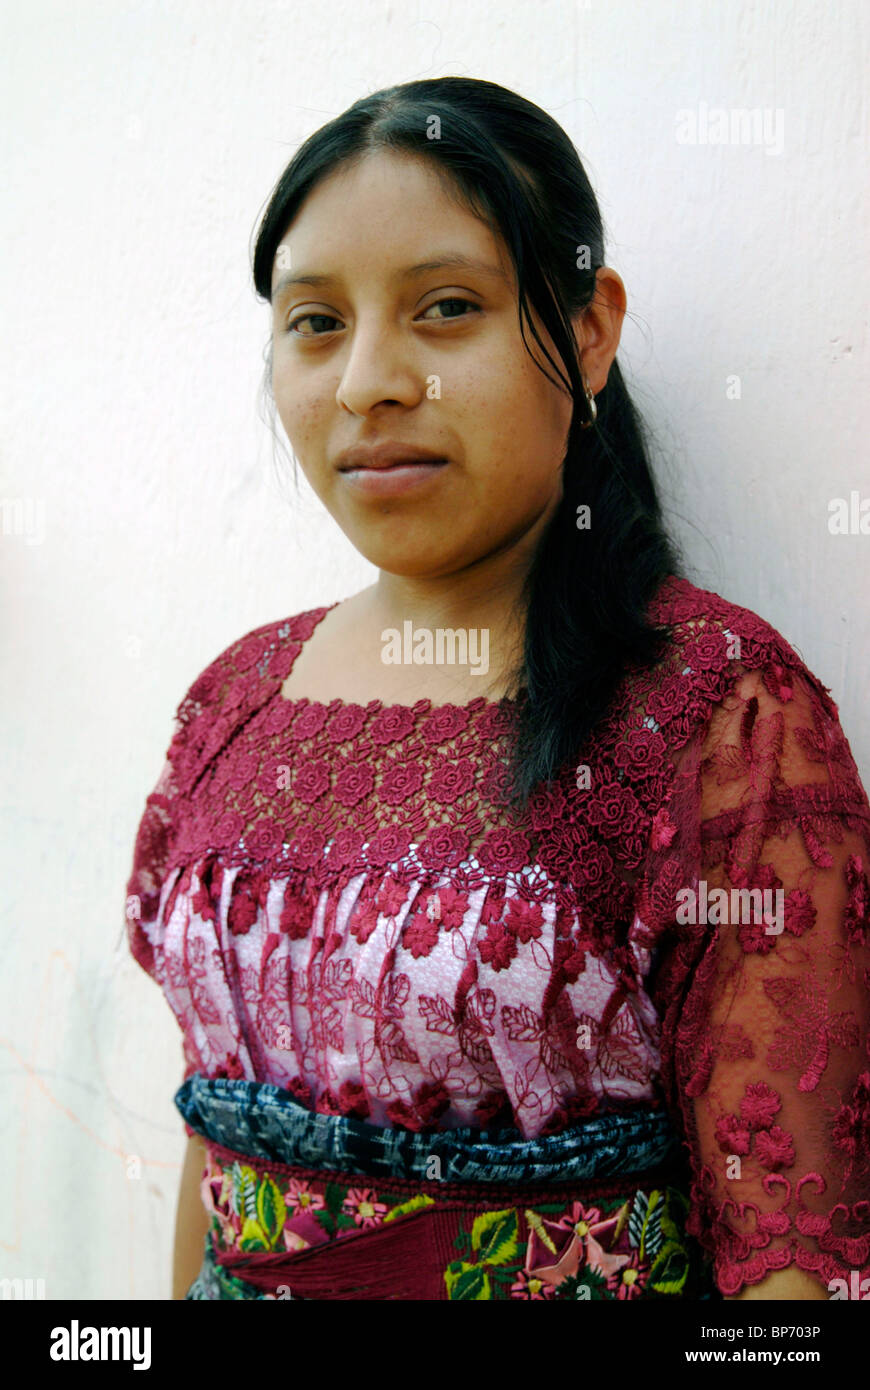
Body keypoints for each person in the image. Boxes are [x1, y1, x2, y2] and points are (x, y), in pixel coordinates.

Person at [125, 76, 870, 1302]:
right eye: (316, 322)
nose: (367, 380)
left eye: (447, 308)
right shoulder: (232, 704)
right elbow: (212, 1150)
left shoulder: (716, 713)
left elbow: (793, 1251)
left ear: (586, 331)